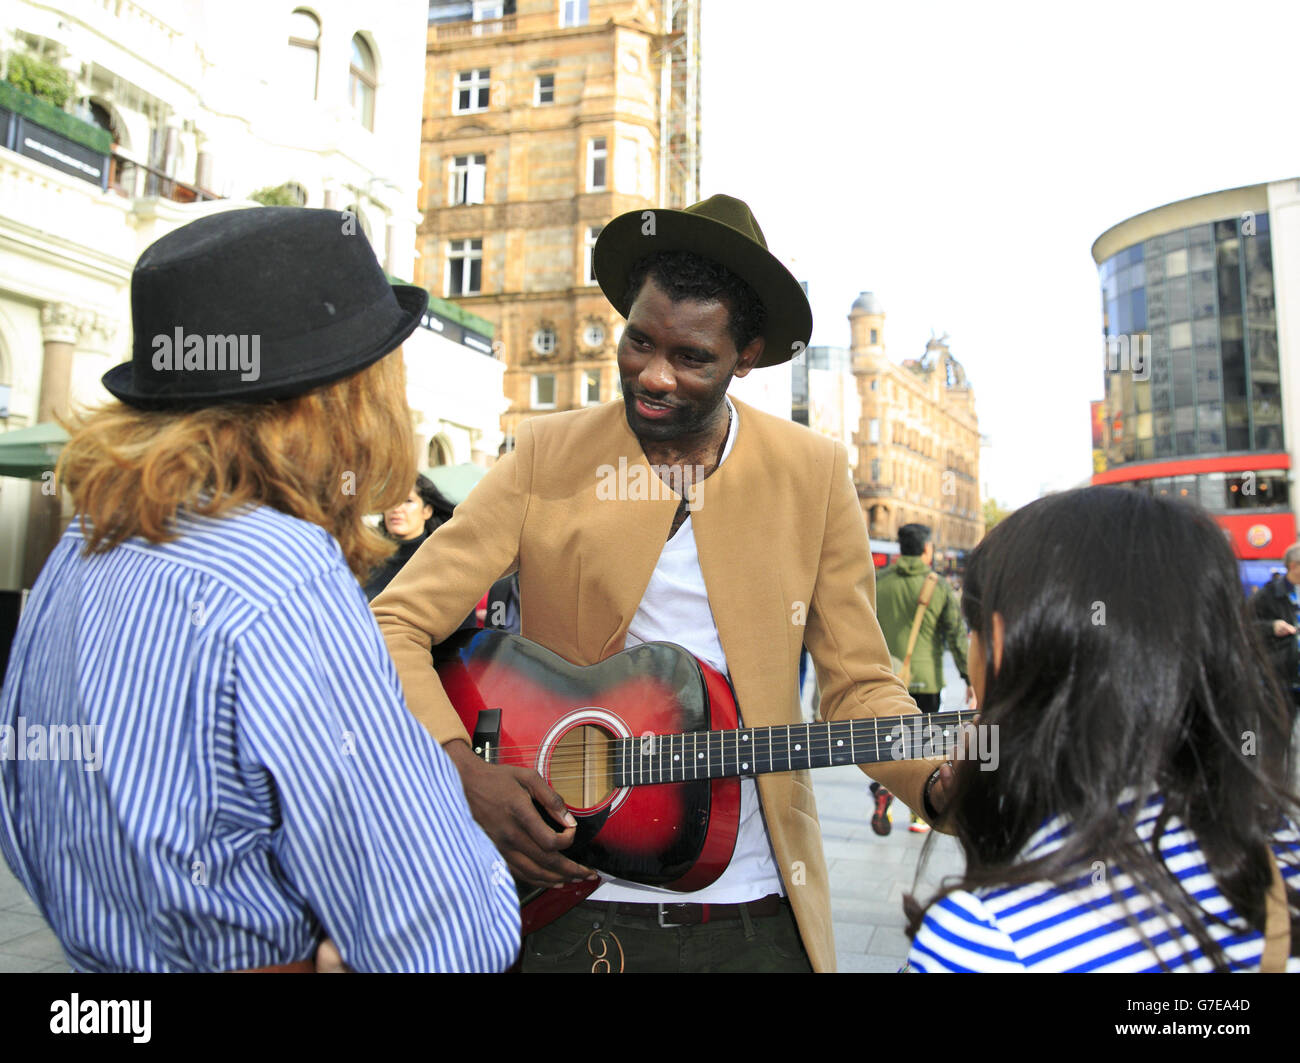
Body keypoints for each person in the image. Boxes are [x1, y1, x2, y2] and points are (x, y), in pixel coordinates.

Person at [372, 194, 955, 973]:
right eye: (638, 342)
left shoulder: (811, 474)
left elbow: (857, 688)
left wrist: (938, 782)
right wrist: (458, 767)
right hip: (567, 900)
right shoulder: (549, 452)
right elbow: (392, 624)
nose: (652, 375)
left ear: (745, 356)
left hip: (753, 904)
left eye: (690, 358)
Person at [0, 207, 520, 972]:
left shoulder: (83, 543)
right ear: (335, 399)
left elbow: (29, 823)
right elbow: (447, 936)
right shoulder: (281, 572)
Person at [906, 486, 1299, 972]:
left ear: (1001, 644)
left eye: (973, 630)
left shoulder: (986, 935)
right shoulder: (1279, 849)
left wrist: (984, 793)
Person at [870, 523, 972, 834]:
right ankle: (919, 814)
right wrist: (969, 676)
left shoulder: (879, 580)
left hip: (885, 679)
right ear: (927, 549)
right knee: (923, 745)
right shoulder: (937, 584)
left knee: (889, 742)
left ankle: (885, 788)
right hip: (925, 680)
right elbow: (956, 633)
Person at [363, 474, 456, 601]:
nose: (396, 508)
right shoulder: (366, 562)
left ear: (427, 511)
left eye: (408, 501)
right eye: (390, 501)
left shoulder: (442, 565)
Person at [1247, 542, 1300, 721]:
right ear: (1294, 566)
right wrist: (1272, 627)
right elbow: (1247, 625)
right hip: (1283, 677)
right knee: (1280, 732)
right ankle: (1251, 748)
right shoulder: (1268, 594)